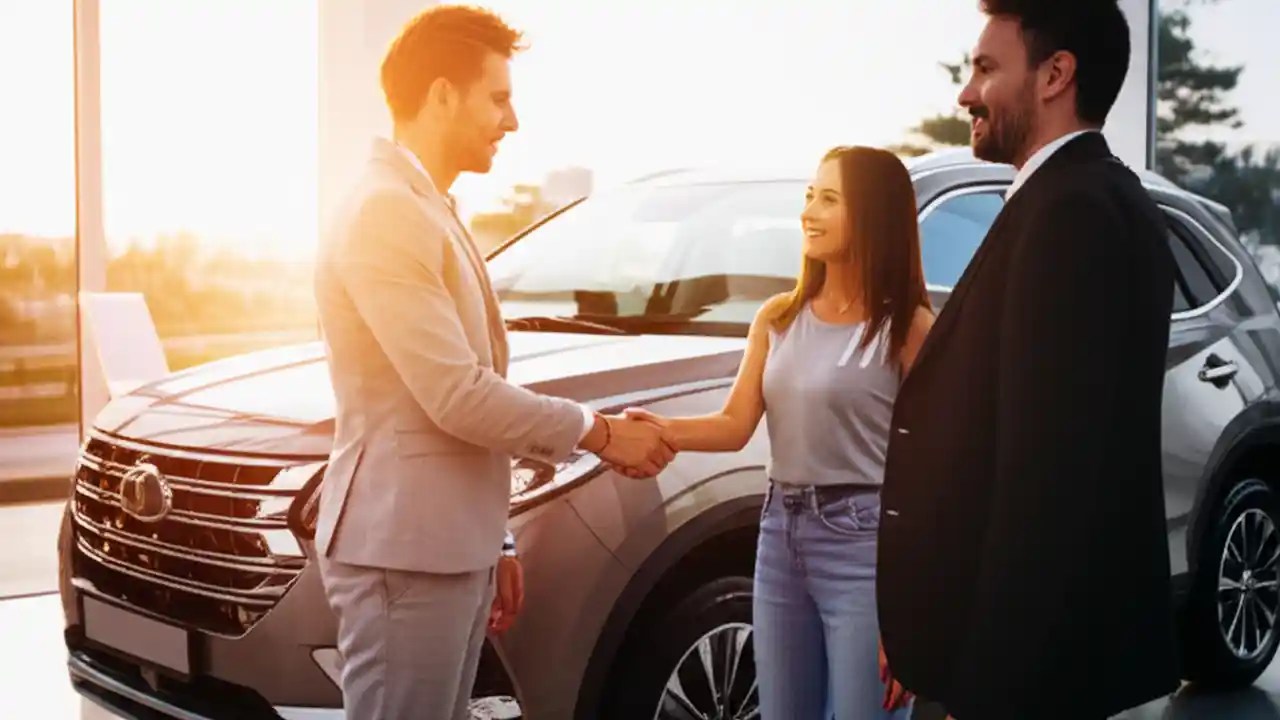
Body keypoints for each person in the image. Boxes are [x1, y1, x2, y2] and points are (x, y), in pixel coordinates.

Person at [311, 6, 675, 719]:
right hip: (404, 552)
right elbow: (457, 393)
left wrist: (495, 537)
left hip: (443, 546)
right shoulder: (387, 210)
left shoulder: (427, 205)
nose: (511, 121)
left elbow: (458, 397)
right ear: (442, 95)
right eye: (498, 98)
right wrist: (601, 433)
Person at [875, 2, 1179, 719]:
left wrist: (988, 690)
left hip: (1022, 679)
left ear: (1054, 75)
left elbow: (1044, 487)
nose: (966, 93)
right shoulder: (1089, 199)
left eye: (986, 68)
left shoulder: (1068, 216)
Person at [625, 146, 934, 719]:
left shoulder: (907, 327)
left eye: (829, 199)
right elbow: (734, 425)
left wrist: (910, 610)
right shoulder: (778, 318)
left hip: (865, 548)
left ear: (871, 214)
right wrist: (655, 429)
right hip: (779, 540)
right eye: (810, 196)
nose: (808, 212)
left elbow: (936, 471)